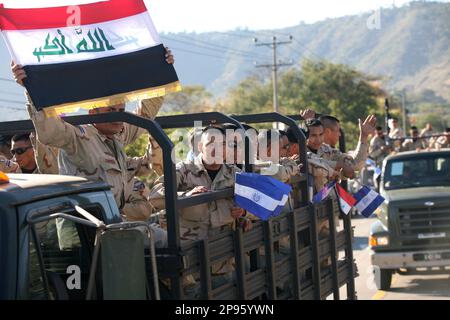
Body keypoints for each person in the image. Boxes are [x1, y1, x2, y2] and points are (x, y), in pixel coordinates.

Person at [11, 49, 174, 221]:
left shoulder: (118, 133)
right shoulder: (80, 137)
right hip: (82, 229)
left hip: (110, 224)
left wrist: (160, 68)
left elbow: (146, 112)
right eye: (111, 111)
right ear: (92, 112)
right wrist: (31, 87)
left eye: (121, 111)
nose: (118, 116)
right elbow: (50, 130)